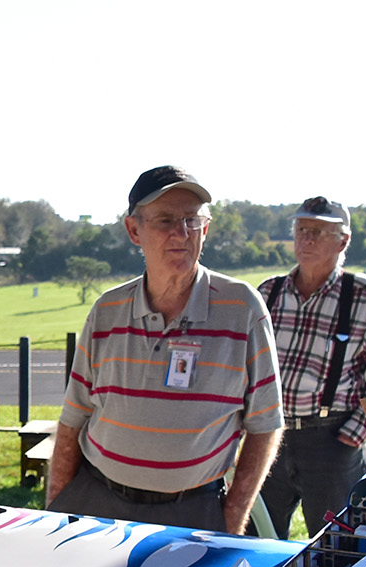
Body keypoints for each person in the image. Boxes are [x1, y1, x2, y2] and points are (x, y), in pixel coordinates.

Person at [47, 166, 282, 532]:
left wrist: (231, 519)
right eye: (165, 220)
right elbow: (73, 419)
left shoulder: (243, 310)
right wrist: (58, 506)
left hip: (192, 513)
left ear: (206, 229)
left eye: (191, 220)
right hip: (95, 502)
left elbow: (265, 425)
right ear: (133, 231)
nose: (180, 232)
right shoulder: (107, 311)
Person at [255, 196, 366, 538]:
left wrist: (349, 441)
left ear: (343, 240)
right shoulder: (269, 292)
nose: (307, 239)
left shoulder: (364, 295)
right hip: (270, 434)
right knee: (254, 543)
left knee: (336, 548)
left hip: (331, 442)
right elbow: (243, 370)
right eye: (302, 229)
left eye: (319, 232)